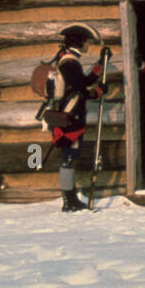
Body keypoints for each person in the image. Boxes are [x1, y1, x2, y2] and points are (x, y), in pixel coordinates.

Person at [42, 23, 109, 212]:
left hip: (69, 114)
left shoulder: (67, 60)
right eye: (87, 41)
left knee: (69, 156)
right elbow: (83, 90)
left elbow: (82, 81)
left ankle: (69, 199)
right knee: (69, 157)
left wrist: (99, 66)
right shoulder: (70, 63)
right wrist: (98, 92)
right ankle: (68, 200)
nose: (88, 45)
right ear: (79, 42)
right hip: (71, 115)